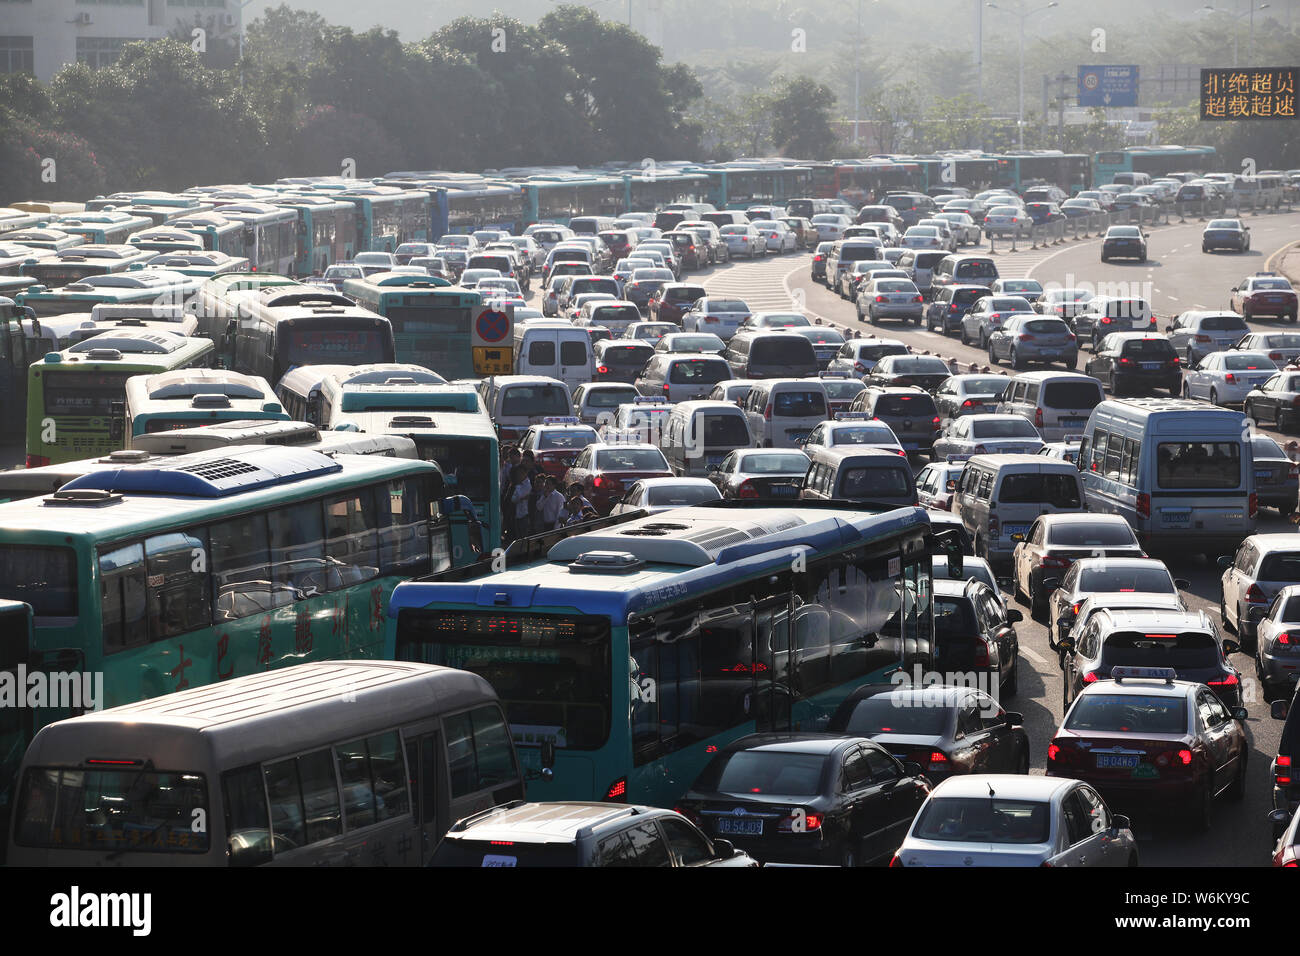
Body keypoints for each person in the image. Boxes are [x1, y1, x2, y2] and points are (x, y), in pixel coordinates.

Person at [508, 465, 531, 542]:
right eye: (518, 473)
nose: (519, 475)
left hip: (525, 514)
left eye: (521, 473)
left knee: (524, 537)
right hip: (518, 514)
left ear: (525, 473)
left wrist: (520, 497)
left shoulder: (528, 484)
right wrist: (521, 498)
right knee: (518, 537)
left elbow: (520, 495)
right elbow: (513, 499)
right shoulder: (518, 485)